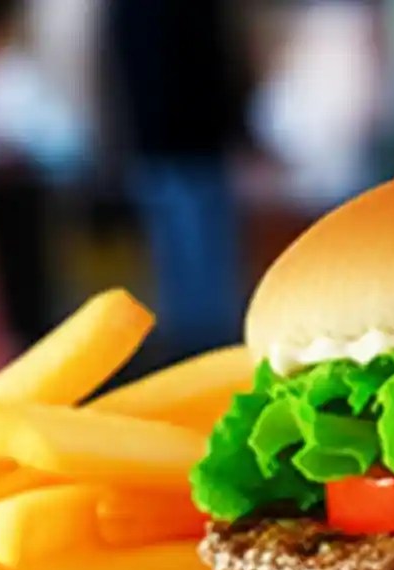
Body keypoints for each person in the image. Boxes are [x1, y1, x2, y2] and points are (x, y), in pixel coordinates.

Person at [104, 0, 247, 360]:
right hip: (190, 146)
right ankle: (210, 354)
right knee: (201, 261)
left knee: (181, 261)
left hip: (161, 145)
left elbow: (121, 74)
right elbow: (216, 64)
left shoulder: (126, 10)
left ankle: (197, 353)